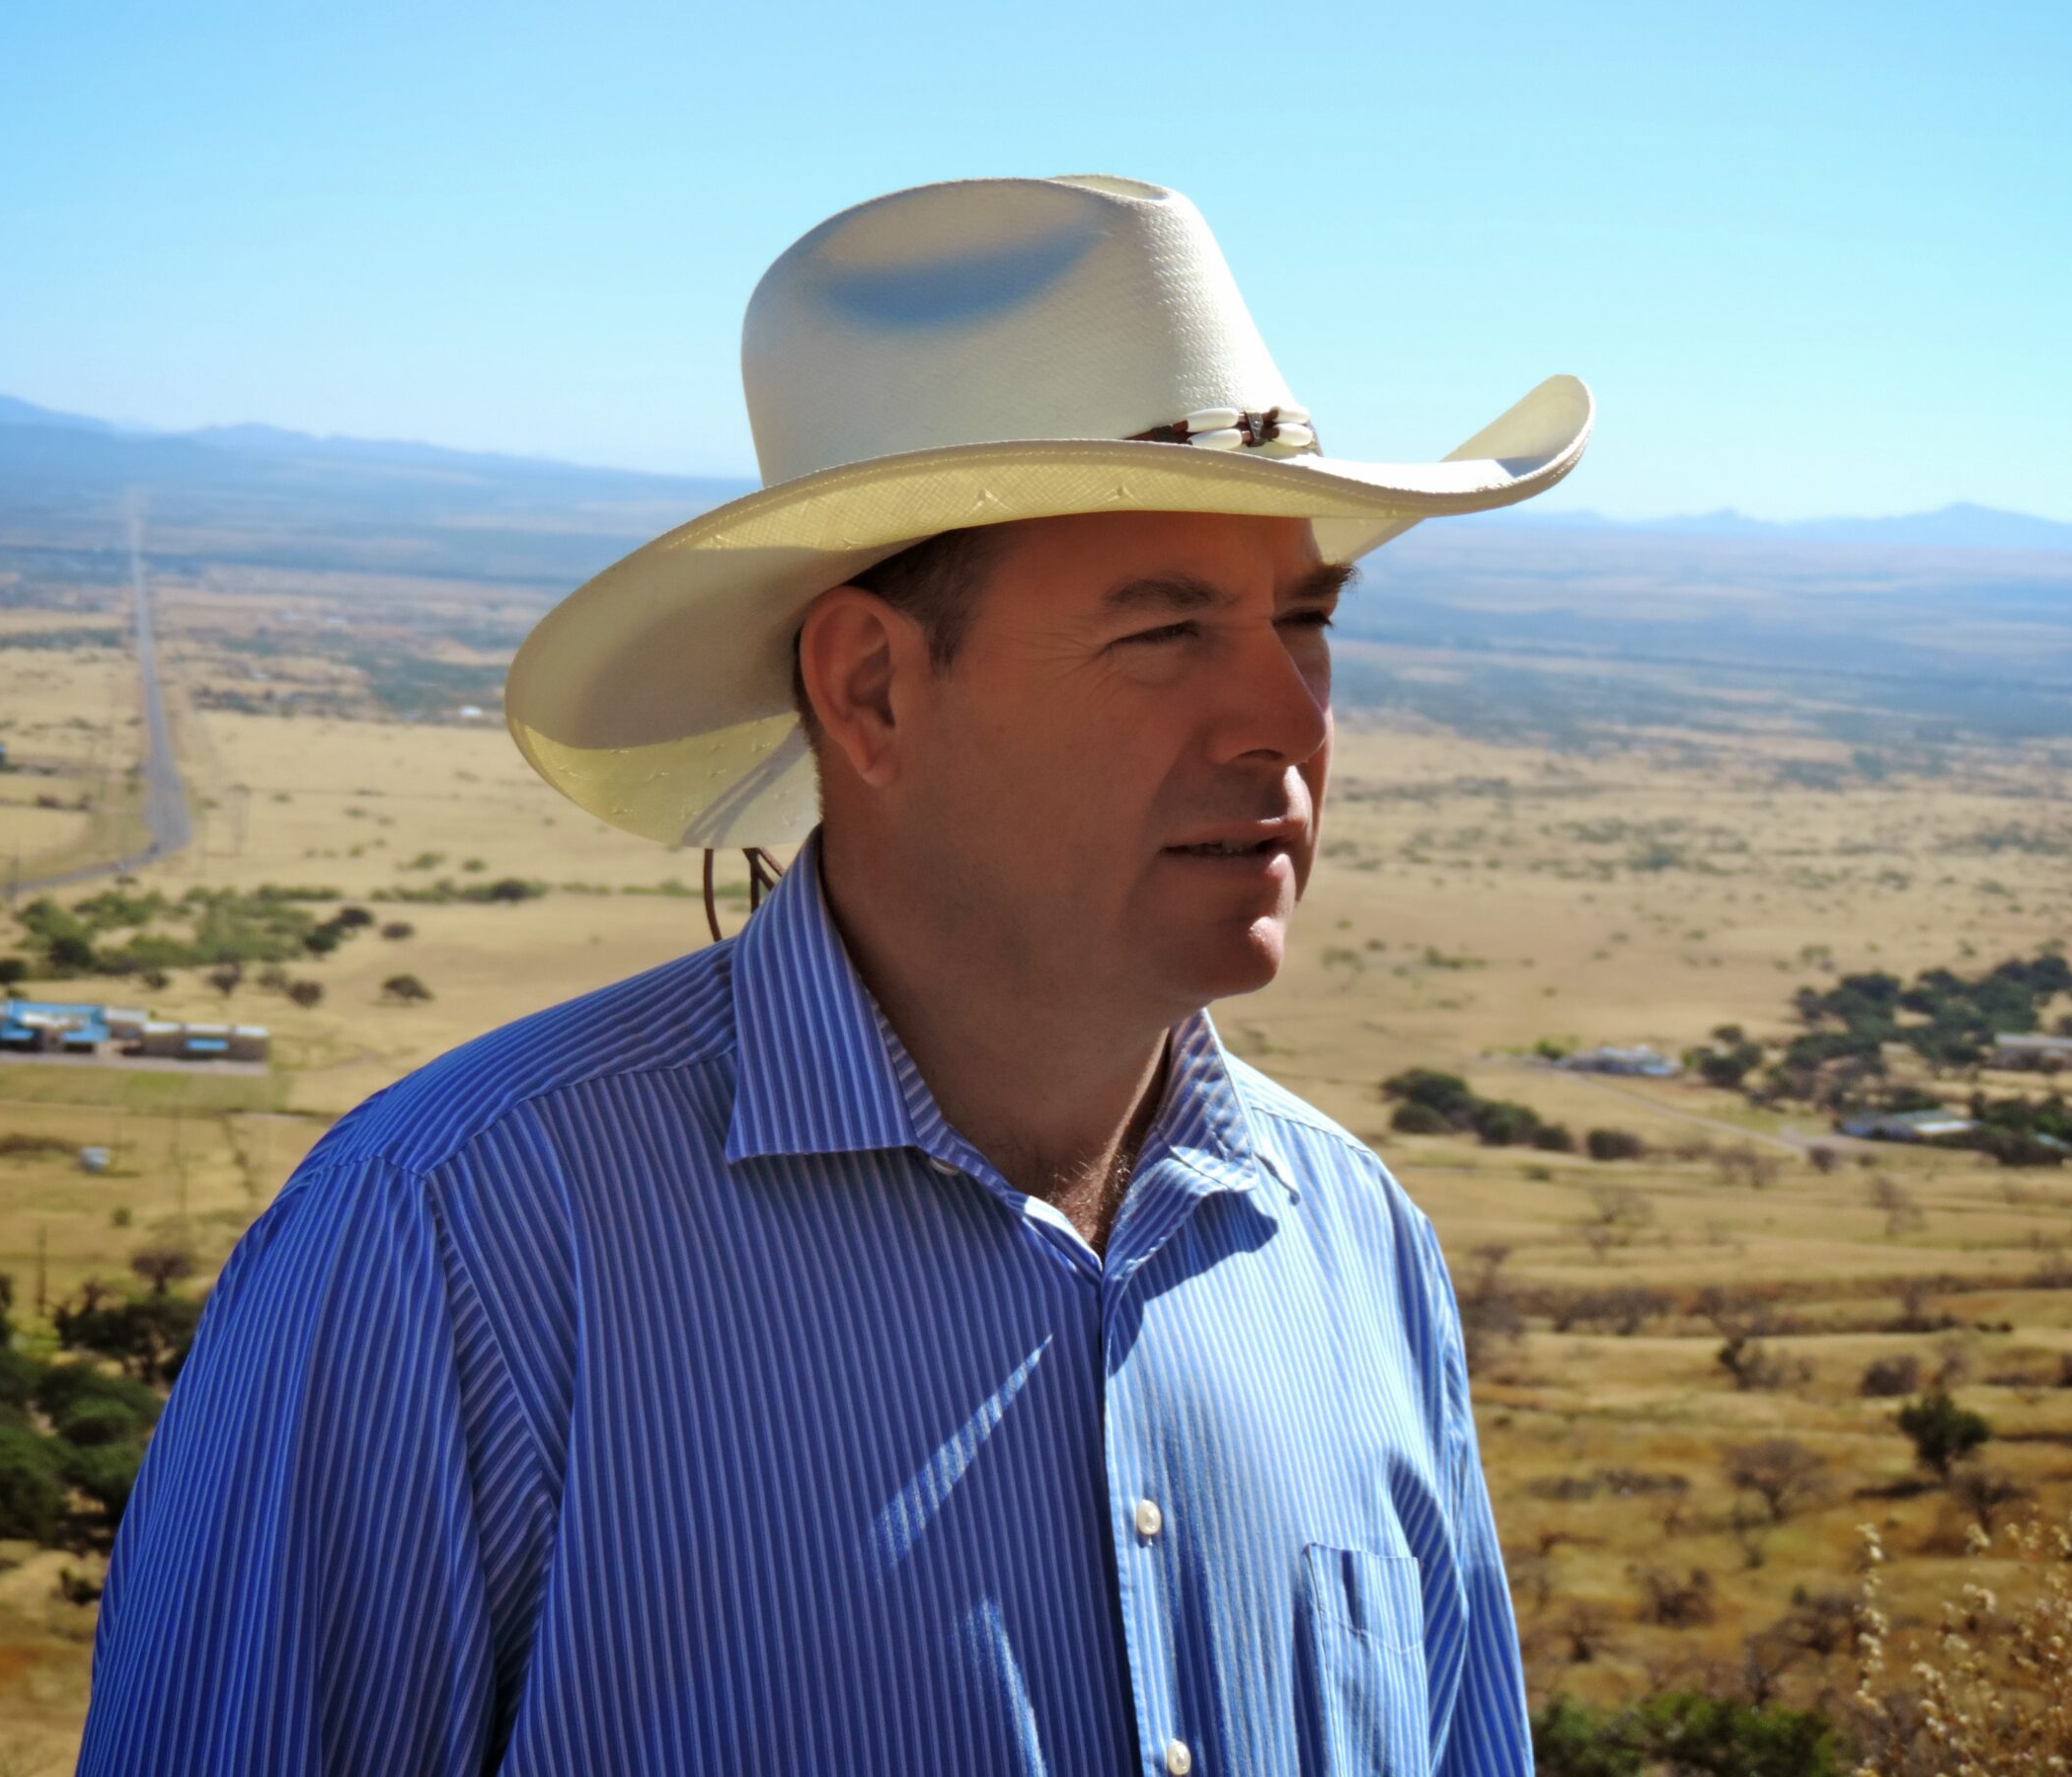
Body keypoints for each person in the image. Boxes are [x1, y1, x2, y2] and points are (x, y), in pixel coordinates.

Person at [78, 174, 1591, 1775]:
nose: (1288, 718)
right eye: (1165, 634)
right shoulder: (459, 1239)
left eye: (1308, 621)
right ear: (870, 688)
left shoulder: (1354, 1245)